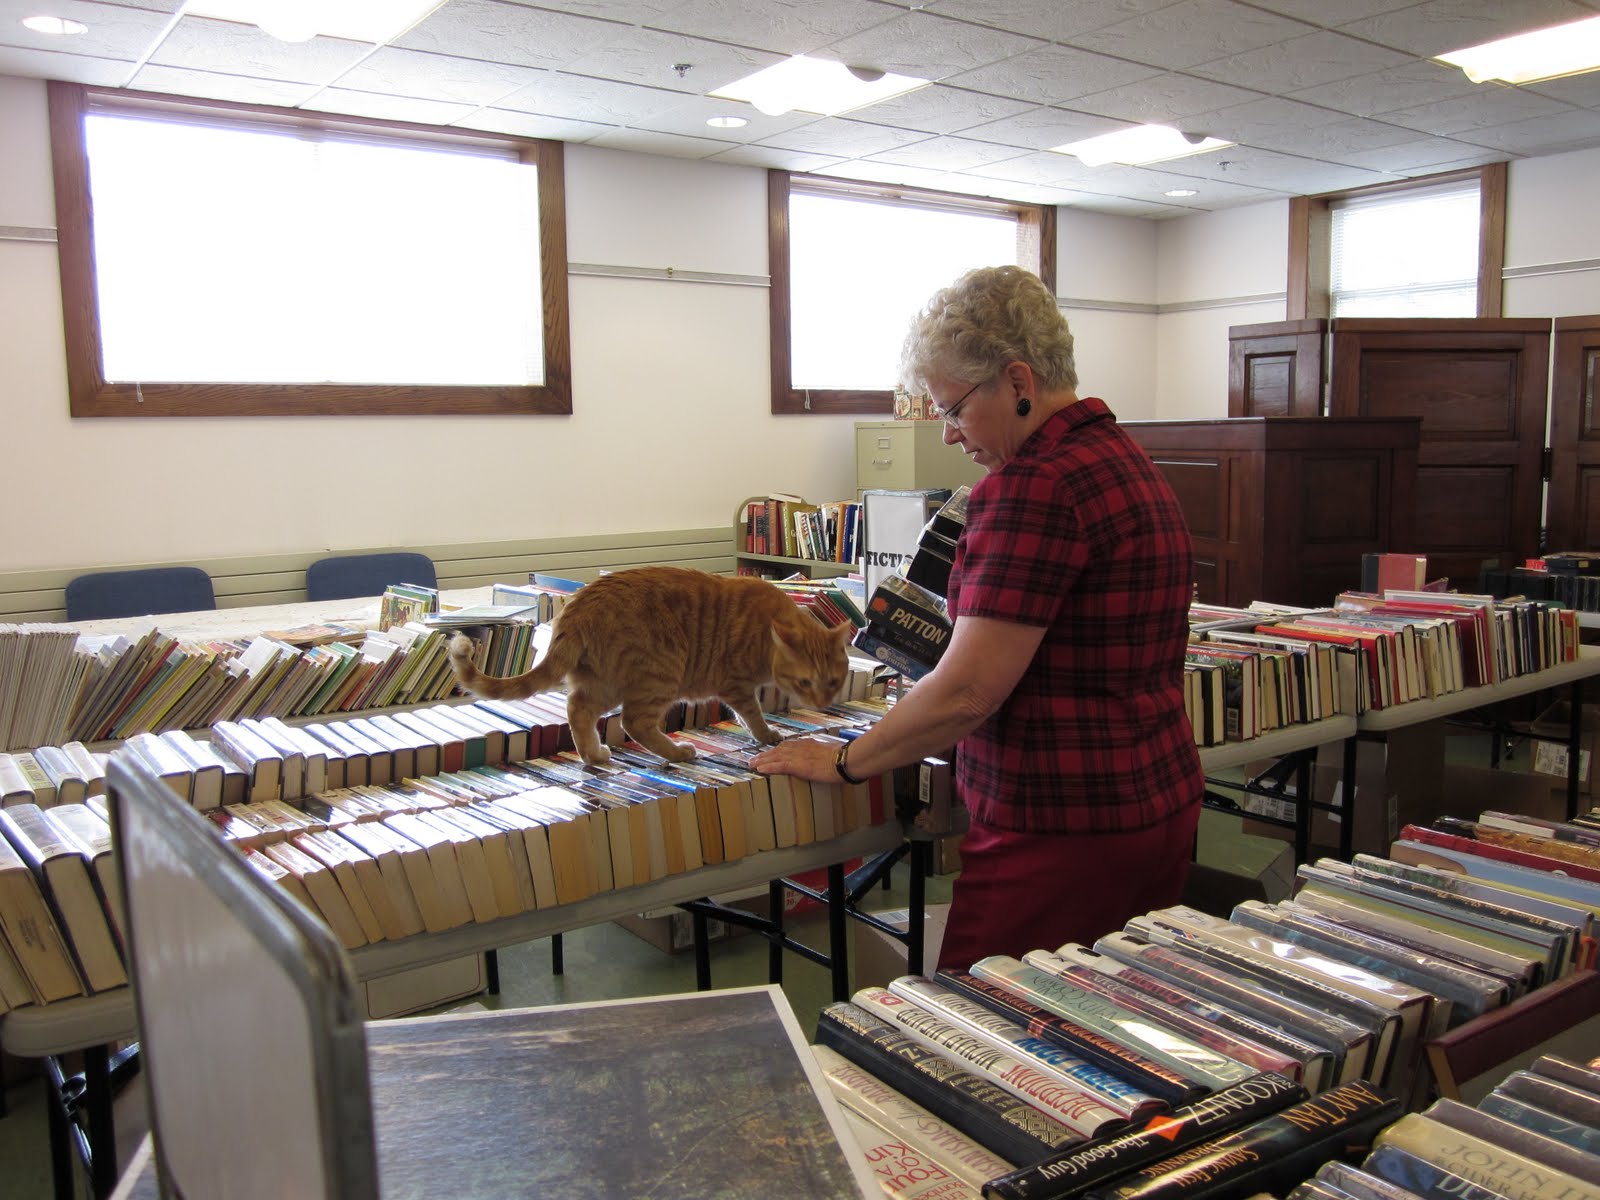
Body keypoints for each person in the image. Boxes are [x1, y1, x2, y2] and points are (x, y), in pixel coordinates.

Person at [750, 264, 1203, 971]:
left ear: (1018, 383)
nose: (951, 435)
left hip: (1058, 831)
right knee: (1101, 1025)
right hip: (1157, 806)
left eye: (954, 409)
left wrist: (844, 762)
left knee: (991, 1037)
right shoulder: (1125, 458)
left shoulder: (1032, 488)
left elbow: (967, 691)